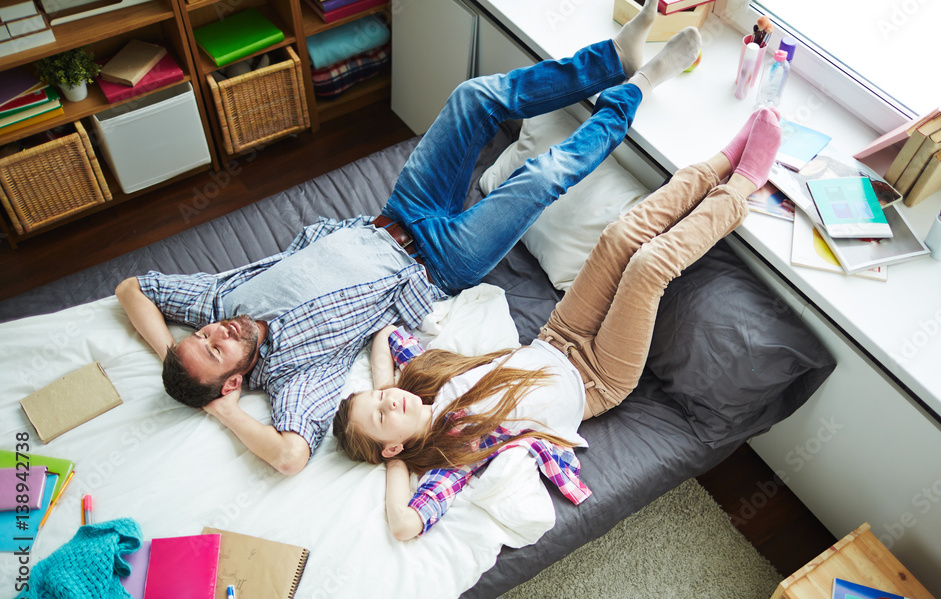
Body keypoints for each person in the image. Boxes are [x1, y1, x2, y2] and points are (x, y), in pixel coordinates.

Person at [115, 3, 702, 476]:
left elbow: (131, 288)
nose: (216, 333)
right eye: (216, 350)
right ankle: (641, 85)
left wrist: (173, 351)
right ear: (236, 382)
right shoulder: (296, 375)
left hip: (398, 212)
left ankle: (611, 60)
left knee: (472, 97)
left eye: (205, 337)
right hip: (441, 262)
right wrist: (224, 414)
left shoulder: (220, 304)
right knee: (545, 177)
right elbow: (291, 457)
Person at [332, 107, 784, 542]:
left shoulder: (423, 382)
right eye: (380, 415)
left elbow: (386, 336)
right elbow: (404, 525)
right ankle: (741, 186)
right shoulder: (451, 457)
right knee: (648, 268)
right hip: (596, 379)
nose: (389, 400)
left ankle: (718, 163)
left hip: (557, 336)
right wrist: (399, 464)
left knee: (617, 237)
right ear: (391, 448)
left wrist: (384, 388)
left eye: (379, 397)